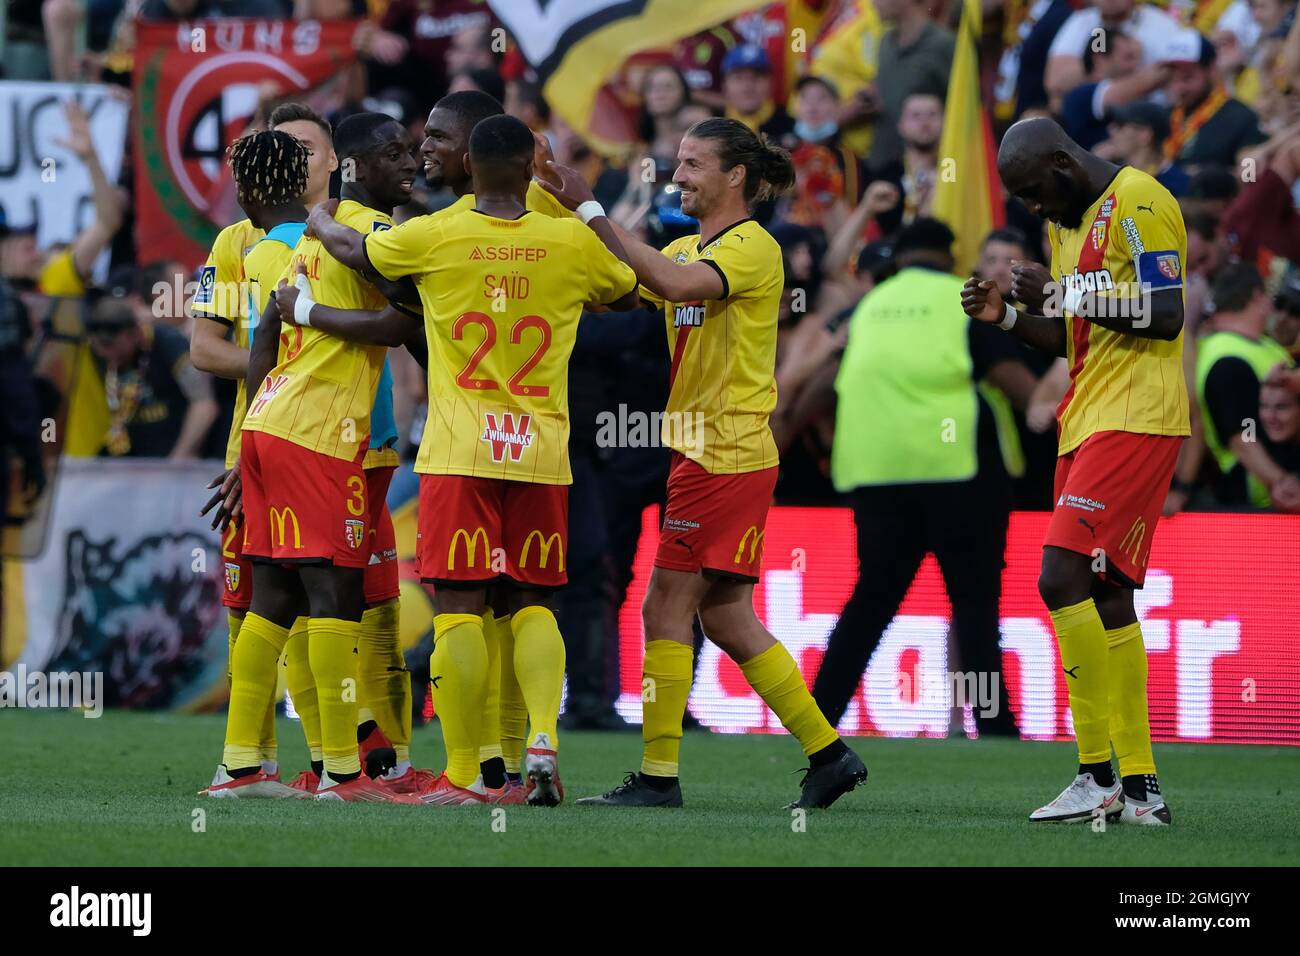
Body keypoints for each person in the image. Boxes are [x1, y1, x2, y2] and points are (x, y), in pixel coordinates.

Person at [305, 113, 640, 806]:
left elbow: (357, 253)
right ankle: (540, 737)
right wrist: (580, 204)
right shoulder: (569, 241)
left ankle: (469, 775)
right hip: (543, 451)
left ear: (470, 164)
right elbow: (629, 288)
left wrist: (318, 215)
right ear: (527, 170)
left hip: (461, 449)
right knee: (533, 601)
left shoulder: (434, 233)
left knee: (459, 605)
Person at [544, 117, 868, 810]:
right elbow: (625, 280)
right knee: (723, 616)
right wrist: (548, 205)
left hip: (724, 451)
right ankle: (830, 754)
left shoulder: (751, 248)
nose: (678, 175)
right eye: (677, 162)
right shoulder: (689, 244)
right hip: (705, 452)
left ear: (735, 177)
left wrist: (590, 204)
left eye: (692, 164)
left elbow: (672, 281)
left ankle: (659, 778)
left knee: (665, 606)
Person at [961, 117, 1191, 826]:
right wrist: (1006, 320)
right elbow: (1074, 331)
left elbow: (1166, 312)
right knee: (1107, 594)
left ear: (1062, 163)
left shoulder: (1142, 203)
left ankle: (1095, 774)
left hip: (1137, 416)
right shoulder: (1065, 222)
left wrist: (1067, 296)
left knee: (1058, 576)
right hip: (1085, 416)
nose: (1034, 209)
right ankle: (1143, 792)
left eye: (1035, 193)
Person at [214, 113, 421, 804]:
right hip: (321, 434)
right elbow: (402, 320)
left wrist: (244, 447)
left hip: (270, 424)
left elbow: (267, 331)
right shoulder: (357, 235)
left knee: (273, 594)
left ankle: (241, 765)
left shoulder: (287, 244)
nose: (410, 162)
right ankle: (342, 772)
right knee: (335, 594)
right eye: (396, 153)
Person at [809, 218, 1032, 737]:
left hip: (876, 474)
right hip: (958, 475)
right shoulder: (963, 297)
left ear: (900, 258)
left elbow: (826, 383)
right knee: (974, 605)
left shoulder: (866, 308)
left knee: (869, 604)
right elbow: (1010, 380)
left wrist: (791, 424)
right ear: (950, 255)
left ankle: (815, 722)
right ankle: (995, 729)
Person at [1194, 262, 1300, 509]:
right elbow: (1243, 434)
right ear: (1257, 296)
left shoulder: (1258, 345)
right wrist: (1280, 481)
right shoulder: (1228, 357)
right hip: (1262, 497)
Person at [86, 294, 217, 459]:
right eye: (102, 349)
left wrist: (179, 458)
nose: (108, 356)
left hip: (171, 462)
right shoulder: (97, 354)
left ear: (135, 333)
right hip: (128, 463)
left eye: (113, 348)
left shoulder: (169, 343)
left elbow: (204, 405)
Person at [1161, 29, 1266, 168]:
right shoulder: (1163, 118)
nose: (1179, 88)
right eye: (1172, 79)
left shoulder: (1241, 117)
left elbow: (1251, 176)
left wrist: (1216, 177)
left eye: (1187, 78)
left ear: (1212, 70)